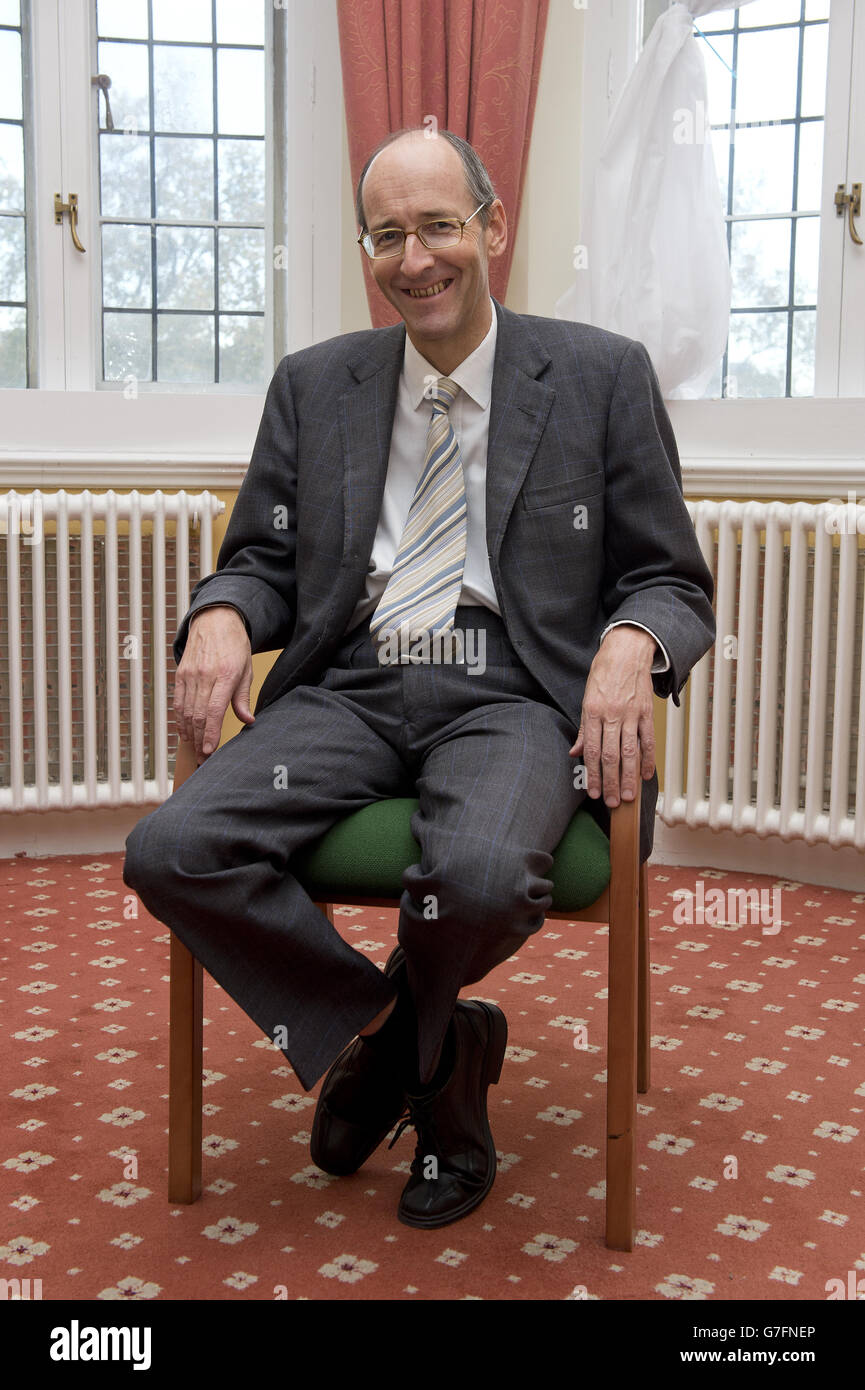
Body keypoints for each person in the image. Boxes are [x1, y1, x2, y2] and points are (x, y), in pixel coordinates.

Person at [123, 127, 715, 1231]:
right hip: (348, 681)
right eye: (388, 234)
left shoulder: (598, 375)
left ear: (490, 228)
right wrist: (217, 610)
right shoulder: (316, 385)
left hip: (510, 690)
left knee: (484, 876)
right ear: (367, 250)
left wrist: (633, 640)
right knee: (171, 849)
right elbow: (260, 556)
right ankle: (424, 1045)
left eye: (438, 224)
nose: (415, 257)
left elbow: (669, 579)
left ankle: (398, 1051)